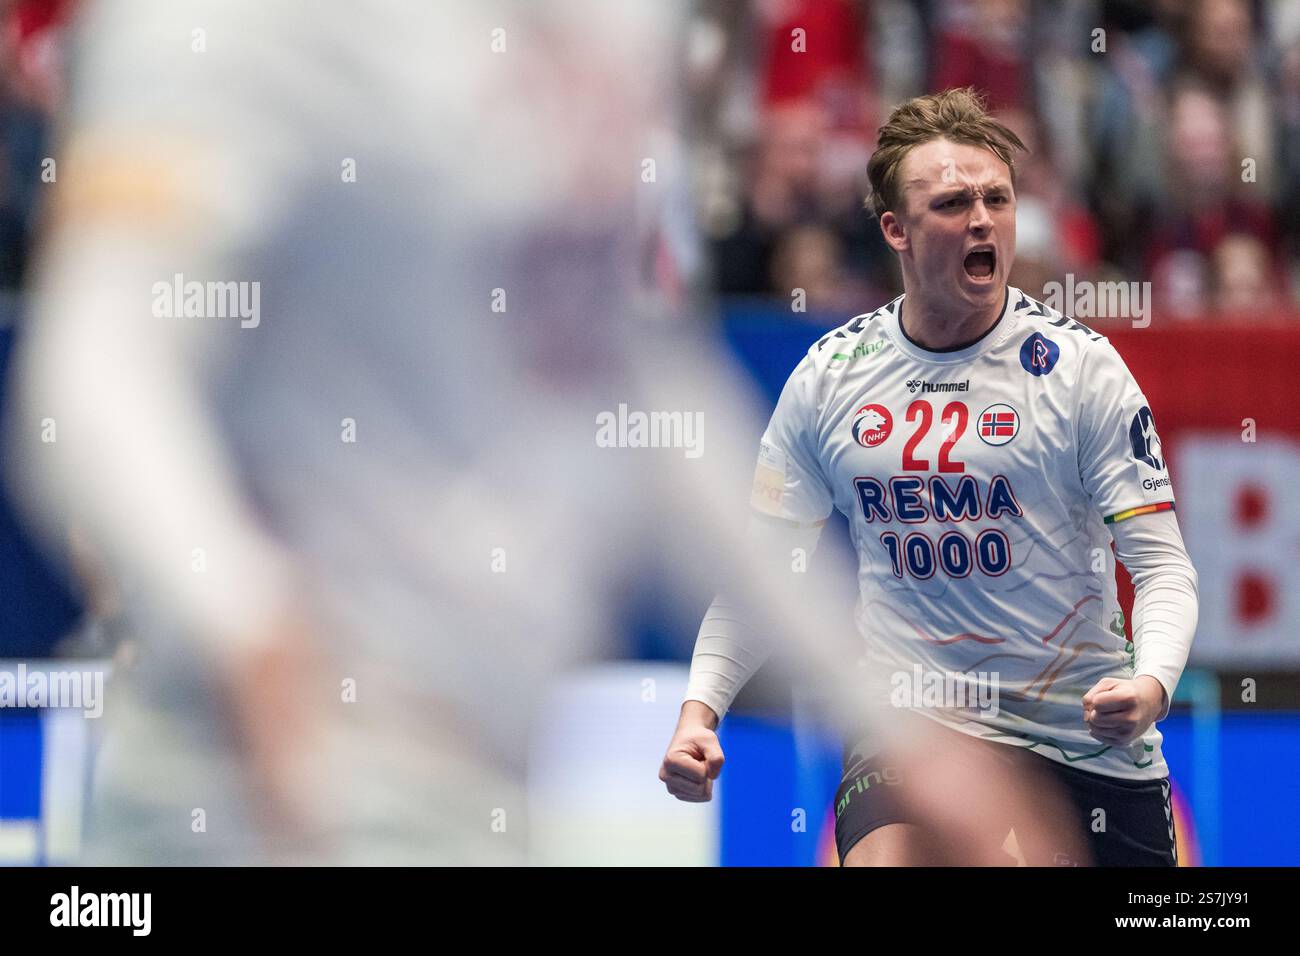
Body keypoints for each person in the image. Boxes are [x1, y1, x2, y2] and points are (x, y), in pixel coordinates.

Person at [660, 87, 1199, 866]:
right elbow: (760, 572)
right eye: (952, 202)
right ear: (896, 230)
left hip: (1078, 733)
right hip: (910, 731)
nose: (983, 218)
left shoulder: (1083, 371)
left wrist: (1150, 684)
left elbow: (1163, 568)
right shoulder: (829, 377)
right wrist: (698, 711)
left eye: (997, 198)